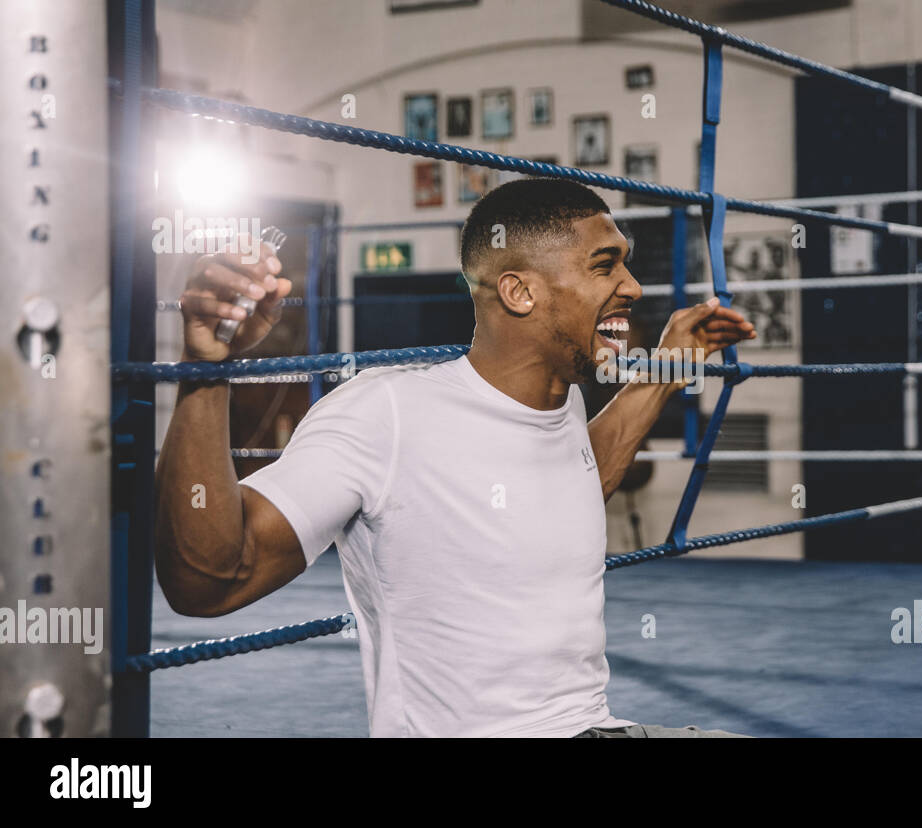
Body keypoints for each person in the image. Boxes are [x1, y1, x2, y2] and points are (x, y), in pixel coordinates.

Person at [154, 178, 757, 737]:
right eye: (606, 266)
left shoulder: (563, 403)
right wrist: (206, 370)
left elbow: (573, 481)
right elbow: (212, 581)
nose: (632, 287)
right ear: (520, 292)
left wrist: (668, 369)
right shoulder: (385, 412)